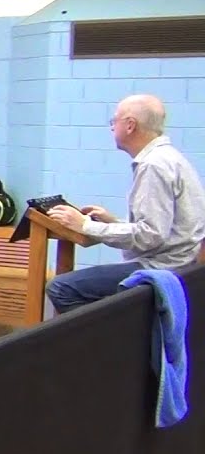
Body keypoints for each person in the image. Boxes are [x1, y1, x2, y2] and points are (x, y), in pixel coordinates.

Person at [45, 94, 205, 314]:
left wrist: (85, 225)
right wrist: (114, 222)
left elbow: (150, 236)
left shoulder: (153, 166)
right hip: (182, 264)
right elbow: (163, 228)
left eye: (114, 121)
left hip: (162, 268)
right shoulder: (170, 157)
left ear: (130, 125)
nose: (112, 128)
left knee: (61, 287)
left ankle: (109, 345)